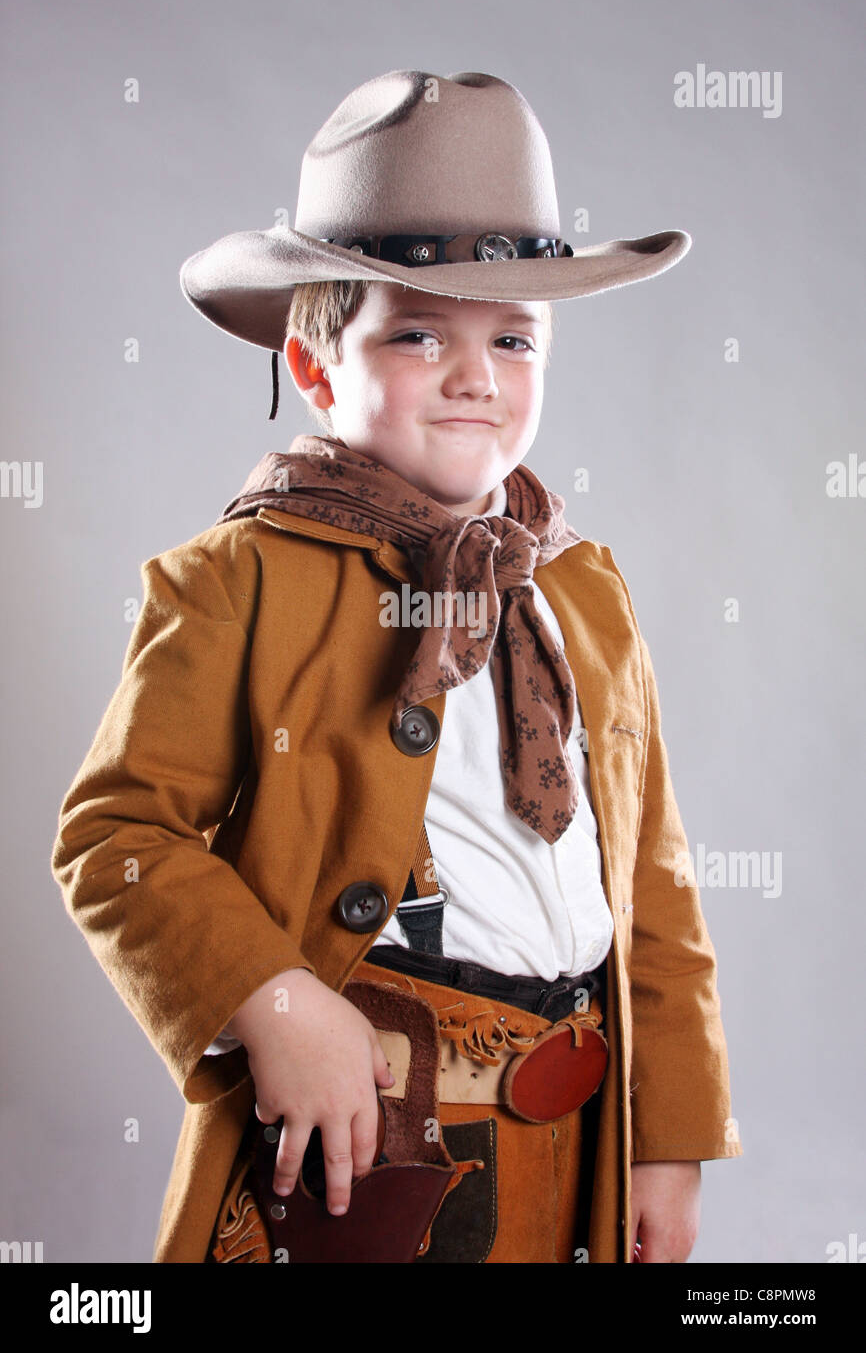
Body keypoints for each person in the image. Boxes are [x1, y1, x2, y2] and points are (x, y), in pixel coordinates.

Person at [50, 69, 742, 1265]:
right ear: (316, 371)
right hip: (369, 1133)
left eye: (511, 338)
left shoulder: (581, 588)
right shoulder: (234, 579)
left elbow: (652, 886)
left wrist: (664, 1134)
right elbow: (115, 837)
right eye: (417, 331)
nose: (473, 374)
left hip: (577, 1131)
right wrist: (276, 1002)